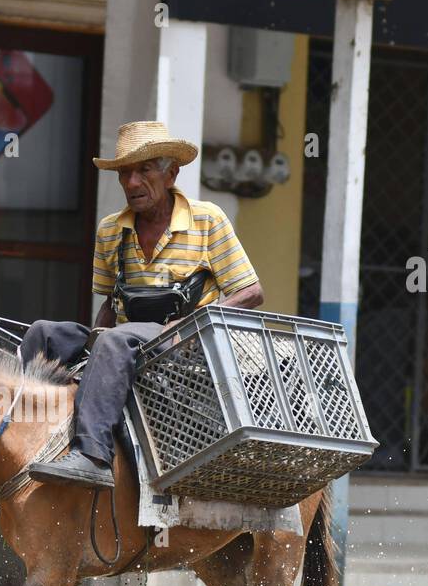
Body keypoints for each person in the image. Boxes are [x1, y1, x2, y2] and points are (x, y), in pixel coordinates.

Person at [24, 121, 264, 488]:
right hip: (127, 340)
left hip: (187, 346)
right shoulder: (110, 230)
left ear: (172, 174)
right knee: (43, 334)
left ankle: (92, 456)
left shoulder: (207, 219)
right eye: (125, 173)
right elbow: (110, 301)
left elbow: (251, 293)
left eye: (144, 170)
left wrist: (190, 326)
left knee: (115, 341)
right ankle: (32, 442)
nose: (132, 183)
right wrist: (95, 339)